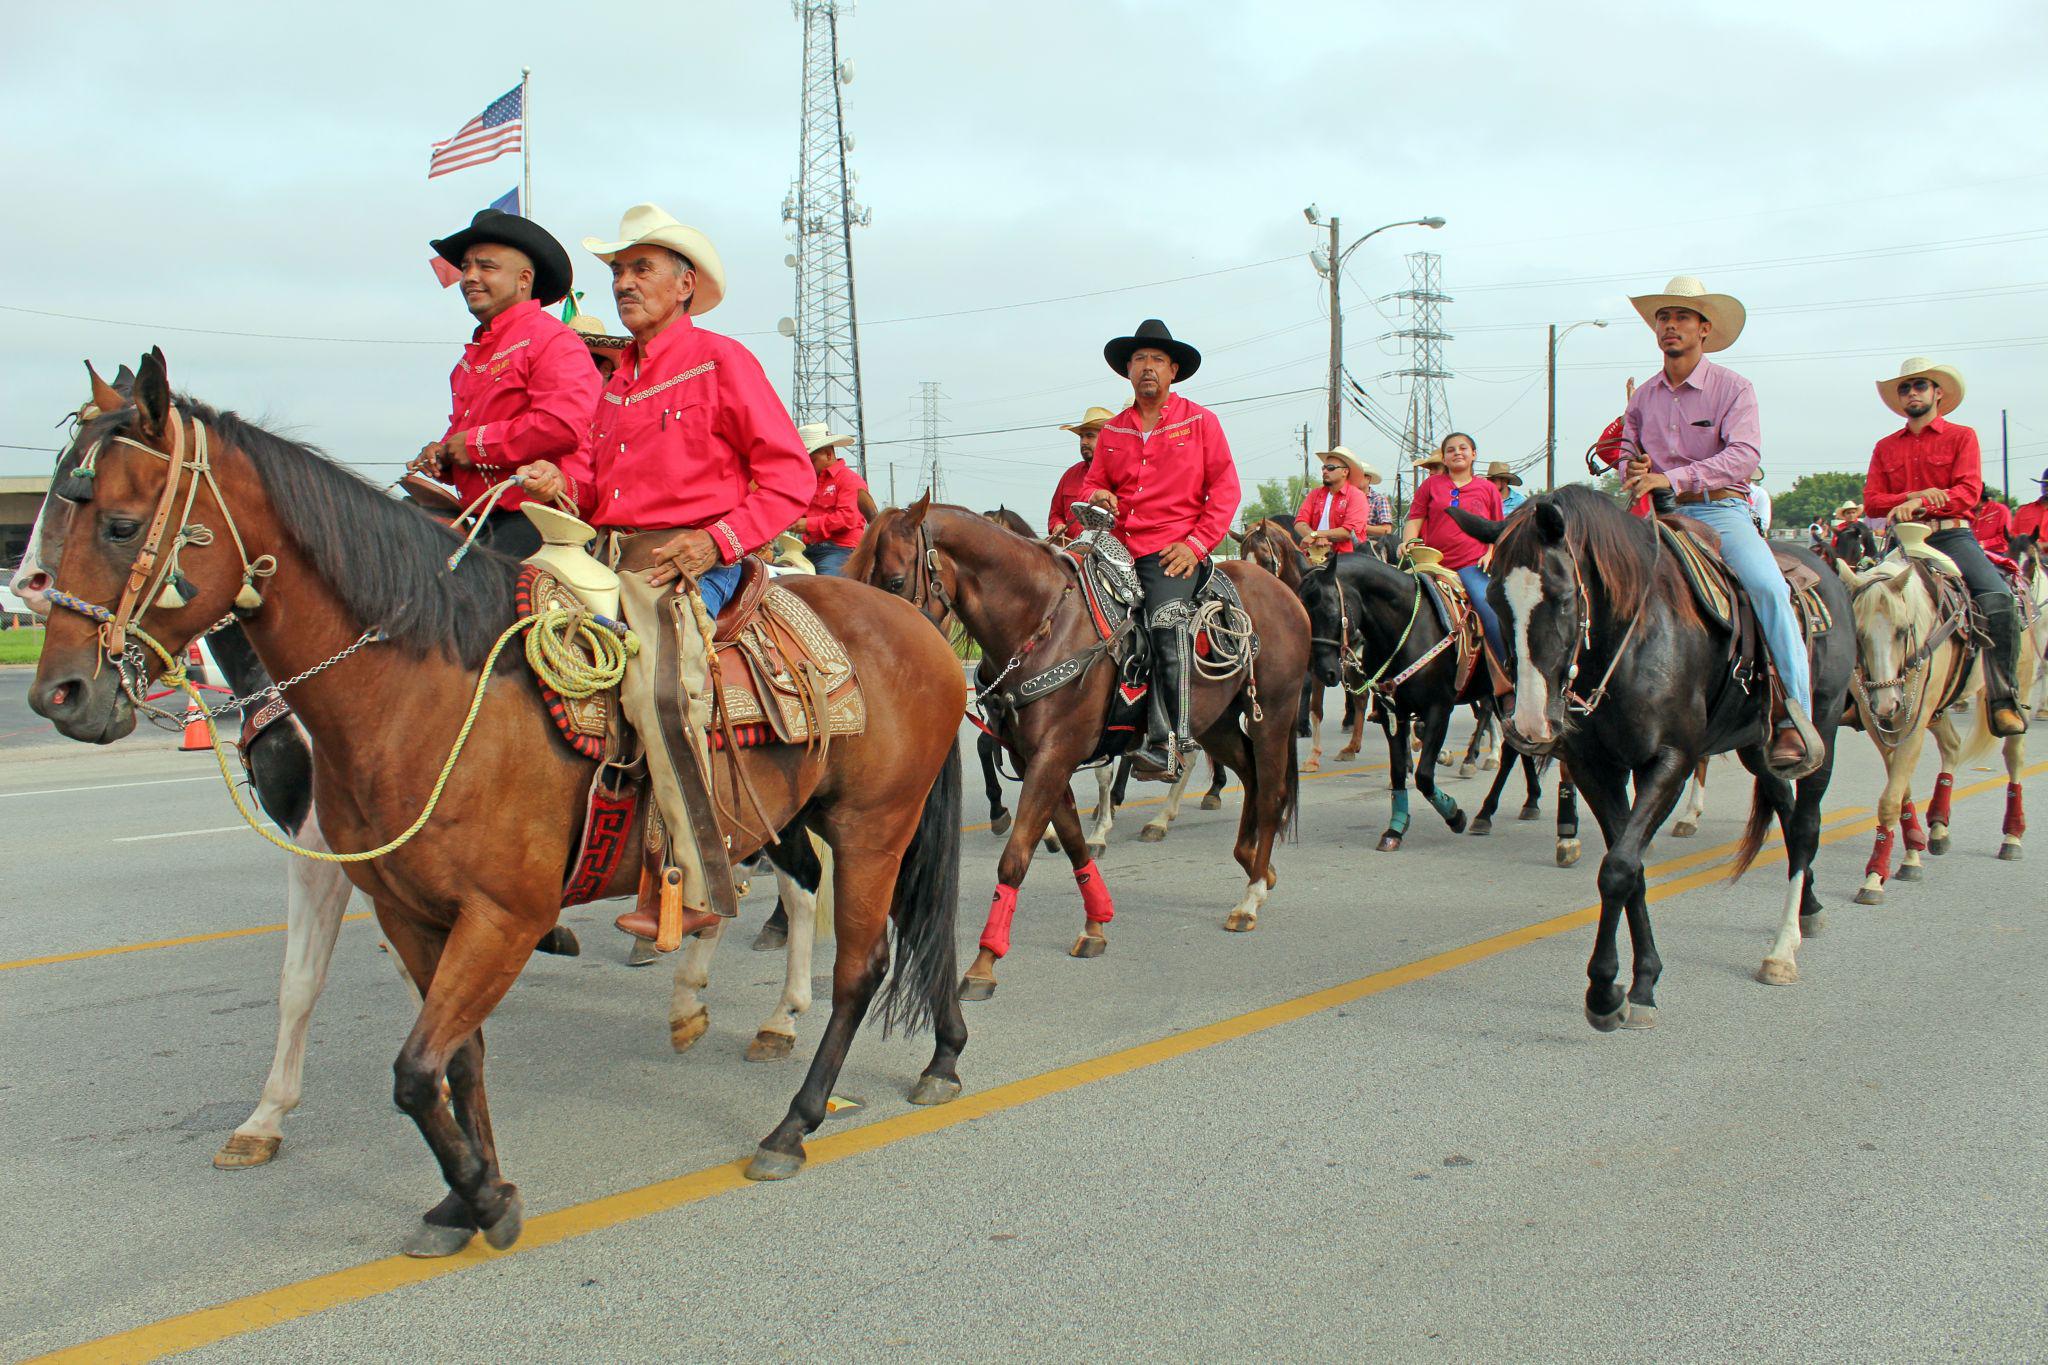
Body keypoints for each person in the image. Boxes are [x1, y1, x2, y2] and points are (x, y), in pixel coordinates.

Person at [517, 204, 815, 943]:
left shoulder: (723, 360)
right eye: (616, 271)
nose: (622, 283)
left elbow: (788, 477)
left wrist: (717, 542)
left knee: (656, 684)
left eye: (638, 269)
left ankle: (696, 873)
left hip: (696, 562)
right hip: (611, 558)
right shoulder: (614, 385)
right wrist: (560, 484)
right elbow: (595, 489)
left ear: (684, 285)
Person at [1620, 275, 1819, 776]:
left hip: (1718, 512)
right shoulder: (1643, 396)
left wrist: (1675, 476)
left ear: (1704, 329)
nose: (1670, 326)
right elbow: (1625, 456)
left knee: (1769, 590)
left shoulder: (1734, 388)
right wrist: (1634, 470)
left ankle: (1794, 712)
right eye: (1663, 318)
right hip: (1657, 515)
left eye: (1682, 318)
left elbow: (1744, 457)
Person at [1083, 319, 1240, 779]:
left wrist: (1195, 545)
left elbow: (1226, 490)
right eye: (1139, 360)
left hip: (1171, 550)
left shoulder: (1201, 422)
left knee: (1166, 627)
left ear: (1173, 370)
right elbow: (1094, 483)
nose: (1146, 367)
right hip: (1114, 547)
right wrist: (1097, 496)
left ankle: (1168, 740)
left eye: (1156, 360)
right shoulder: (1113, 431)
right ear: (1127, 371)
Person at [409, 209, 601, 558]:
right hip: (482, 519)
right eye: (466, 266)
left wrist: (473, 445)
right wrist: (444, 454)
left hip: (540, 519)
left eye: (486, 267)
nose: (470, 276)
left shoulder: (554, 340)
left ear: (524, 279)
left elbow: (561, 426)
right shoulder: (471, 358)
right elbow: (465, 437)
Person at [1862, 356, 2026, 736]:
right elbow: (1872, 501)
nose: (1912, 393)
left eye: (1920, 385)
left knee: (1997, 598)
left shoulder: (1962, 436)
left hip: (1952, 536)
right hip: (1903, 540)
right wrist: (1918, 495)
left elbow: (1968, 493)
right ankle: (1856, 697)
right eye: (1905, 388)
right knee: (1860, 600)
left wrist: (1915, 502)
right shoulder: (1885, 447)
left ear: (1938, 393)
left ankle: (2004, 699)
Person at [1403, 432, 1506, 664]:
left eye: (1463, 448)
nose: (1457, 452)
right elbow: (1415, 519)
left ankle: (1507, 673)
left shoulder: (1487, 489)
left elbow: (1497, 529)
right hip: (1432, 563)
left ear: (1473, 455)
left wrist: (1490, 553)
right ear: (1445, 458)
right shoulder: (1430, 485)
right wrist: (1408, 542)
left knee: (1489, 610)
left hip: (1471, 565)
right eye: (1450, 450)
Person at [793, 422, 869, 575]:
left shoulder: (849, 480)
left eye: (811, 461)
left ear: (828, 454)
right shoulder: (809, 483)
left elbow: (848, 518)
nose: (807, 466)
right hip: (810, 549)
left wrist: (808, 524)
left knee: (825, 586)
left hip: (842, 550)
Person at [1048, 406, 1114, 539]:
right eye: (1081, 437)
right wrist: (1057, 524)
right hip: (1071, 552)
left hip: (1108, 554)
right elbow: (1055, 513)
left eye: (1090, 436)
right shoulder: (1070, 475)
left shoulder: (1121, 473)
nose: (1083, 442)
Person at [1295, 446, 1372, 556]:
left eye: (1330, 468)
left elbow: (1348, 532)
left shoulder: (1357, 496)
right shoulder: (1315, 494)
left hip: (1346, 558)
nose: (1325, 471)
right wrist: (1316, 537)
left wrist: (1315, 535)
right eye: (1323, 468)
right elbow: (1300, 522)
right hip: (1312, 554)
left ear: (1345, 472)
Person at [2013, 467, 2048, 545]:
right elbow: (2013, 535)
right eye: (2045, 484)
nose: (2047, 488)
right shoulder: (2023, 510)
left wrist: (2043, 546)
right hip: (2026, 555)